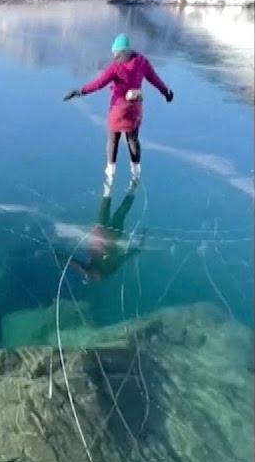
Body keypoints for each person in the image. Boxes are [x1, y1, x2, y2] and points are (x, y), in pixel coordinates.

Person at [63, 33, 173, 189]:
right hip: (135, 108)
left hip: (118, 109)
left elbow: (98, 83)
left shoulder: (115, 68)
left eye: (116, 54)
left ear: (123, 52)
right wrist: (166, 92)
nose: (114, 57)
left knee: (113, 139)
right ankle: (136, 170)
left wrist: (78, 91)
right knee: (133, 139)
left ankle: (110, 170)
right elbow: (154, 78)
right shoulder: (142, 62)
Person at [66, 180, 146, 282]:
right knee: (110, 208)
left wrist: (135, 251)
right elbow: (76, 263)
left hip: (110, 234)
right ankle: (121, 188)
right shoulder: (97, 271)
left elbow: (123, 258)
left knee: (119, 213)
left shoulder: (107, 270)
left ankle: (131, 190)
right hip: (104, 233)